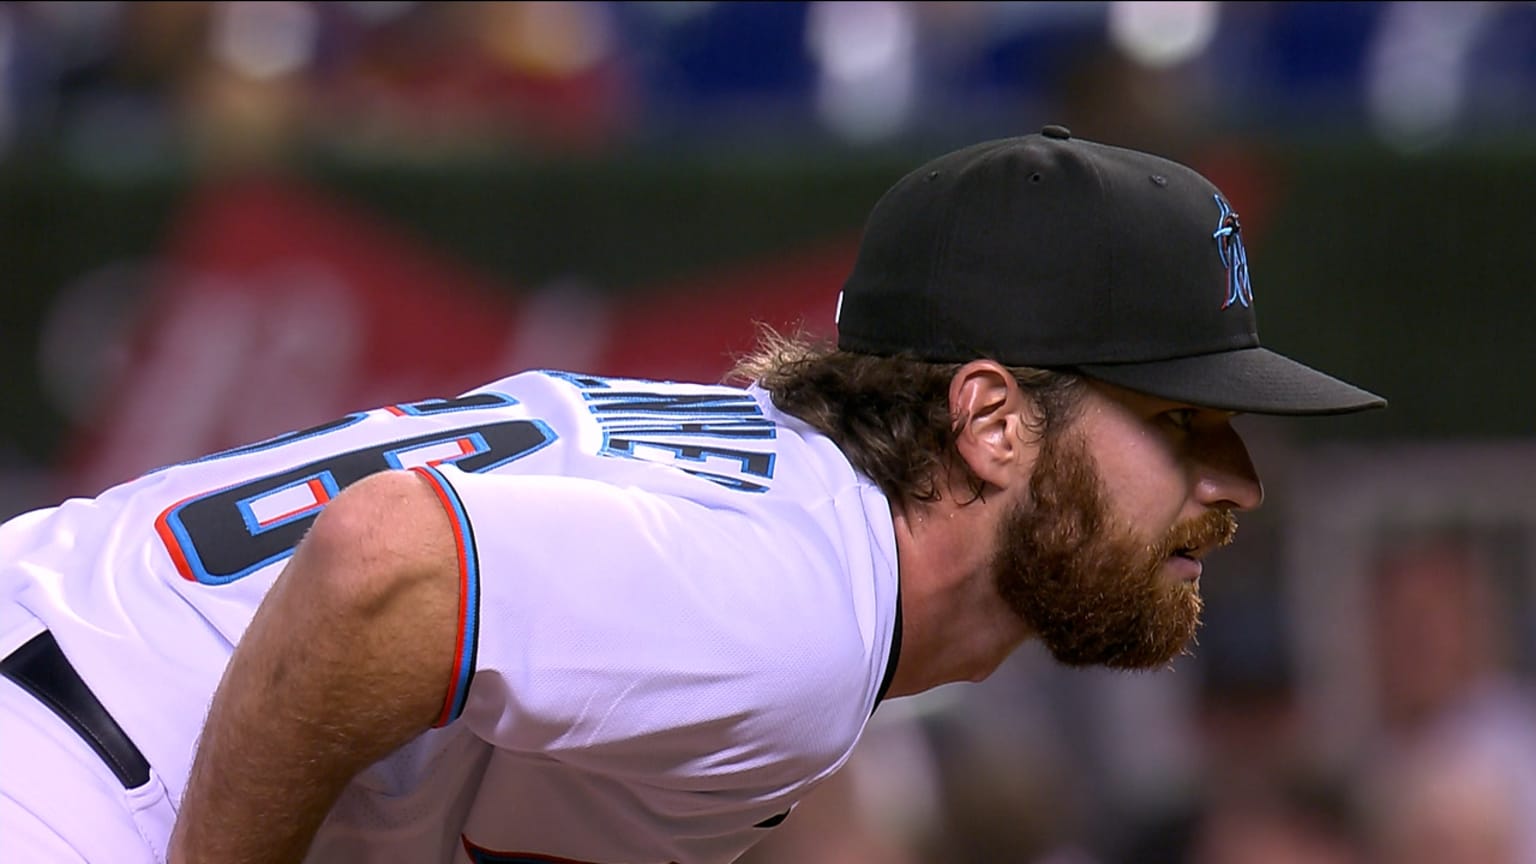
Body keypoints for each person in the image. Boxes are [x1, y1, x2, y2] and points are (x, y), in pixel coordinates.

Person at [0, 125, 1386, 864]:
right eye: (1179, 420)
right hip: (60, 779)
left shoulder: (798, 546)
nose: (1236, 478)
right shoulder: (800, 604)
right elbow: (384, 560)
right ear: (992, 422)